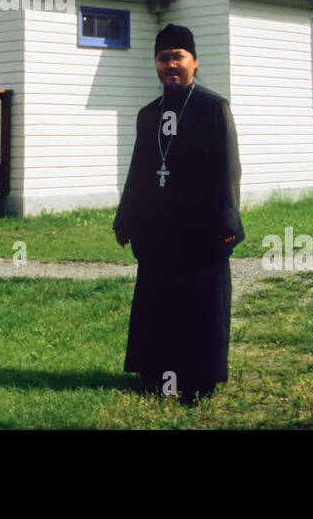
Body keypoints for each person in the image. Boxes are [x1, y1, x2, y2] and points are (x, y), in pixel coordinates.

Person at [112, 23, 243, 404]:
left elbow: (229, 168)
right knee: (159, 301)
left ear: (194, 62)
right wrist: (125, 218)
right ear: (156, 64)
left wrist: (227, 221)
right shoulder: (148, 114)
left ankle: (198, 379)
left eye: (178, 57)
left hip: (201, 229)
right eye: (163, 57)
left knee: (200, 302)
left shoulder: (213, 107)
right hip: (158, 230)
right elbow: (138, 169)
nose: (171, 64)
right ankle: (157, 374)